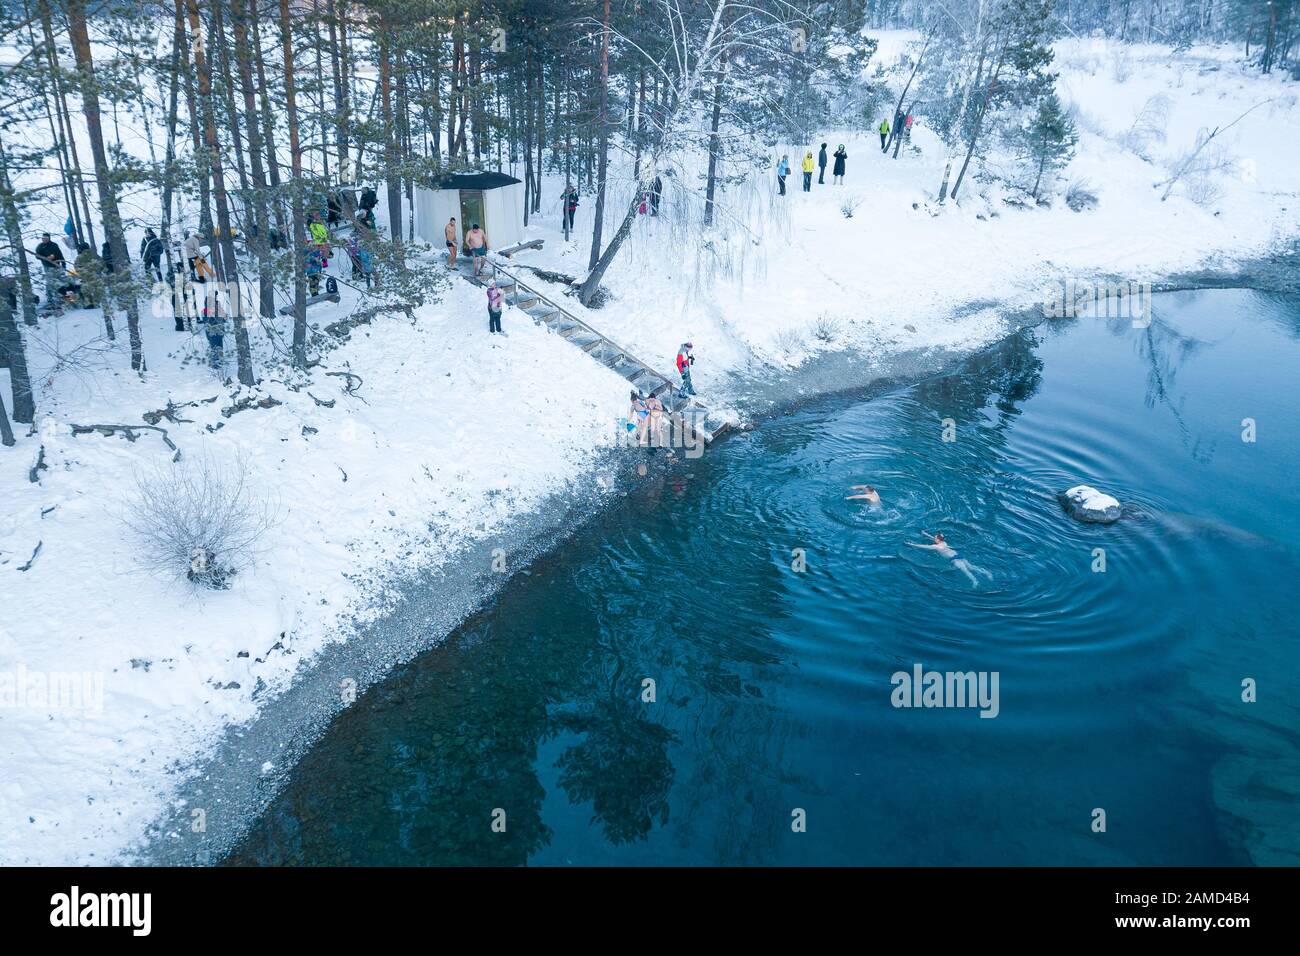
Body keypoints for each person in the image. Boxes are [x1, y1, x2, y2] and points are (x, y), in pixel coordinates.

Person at [907, 532, 993, 587]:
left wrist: (913, 544)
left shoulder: (936, 546)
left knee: (966, 571)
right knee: (971, 567)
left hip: (955, 560)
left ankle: (975, 581)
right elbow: (934, 539)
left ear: (937, 539)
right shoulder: (944, 543)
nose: (934, 538)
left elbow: (924, 546)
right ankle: (987, 573)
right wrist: (925, 534)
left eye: (935, 538)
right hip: (959, 555)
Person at [35, 232, 66, 301]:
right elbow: (37, 256)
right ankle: (50, 298)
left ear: (49, 238)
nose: (44, 240)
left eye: (46, 238)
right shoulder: (40, 246)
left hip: (57, 266)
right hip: (47, 267)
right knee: (49, 282)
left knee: (60, 281)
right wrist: (46, 258)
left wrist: (63, 264)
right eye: (43, 238)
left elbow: (60, 254)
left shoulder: (54, 245)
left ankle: (62, 297)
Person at [73, 242, 104, 308]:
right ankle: (97, 303)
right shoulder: (94, 255)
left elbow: (76, 268)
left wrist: (84, 273)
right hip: (96, 277)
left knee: (85, 290)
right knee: (96, 289)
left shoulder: (79, 257)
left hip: (86, 278)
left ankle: (89, 304)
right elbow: (102, 264)